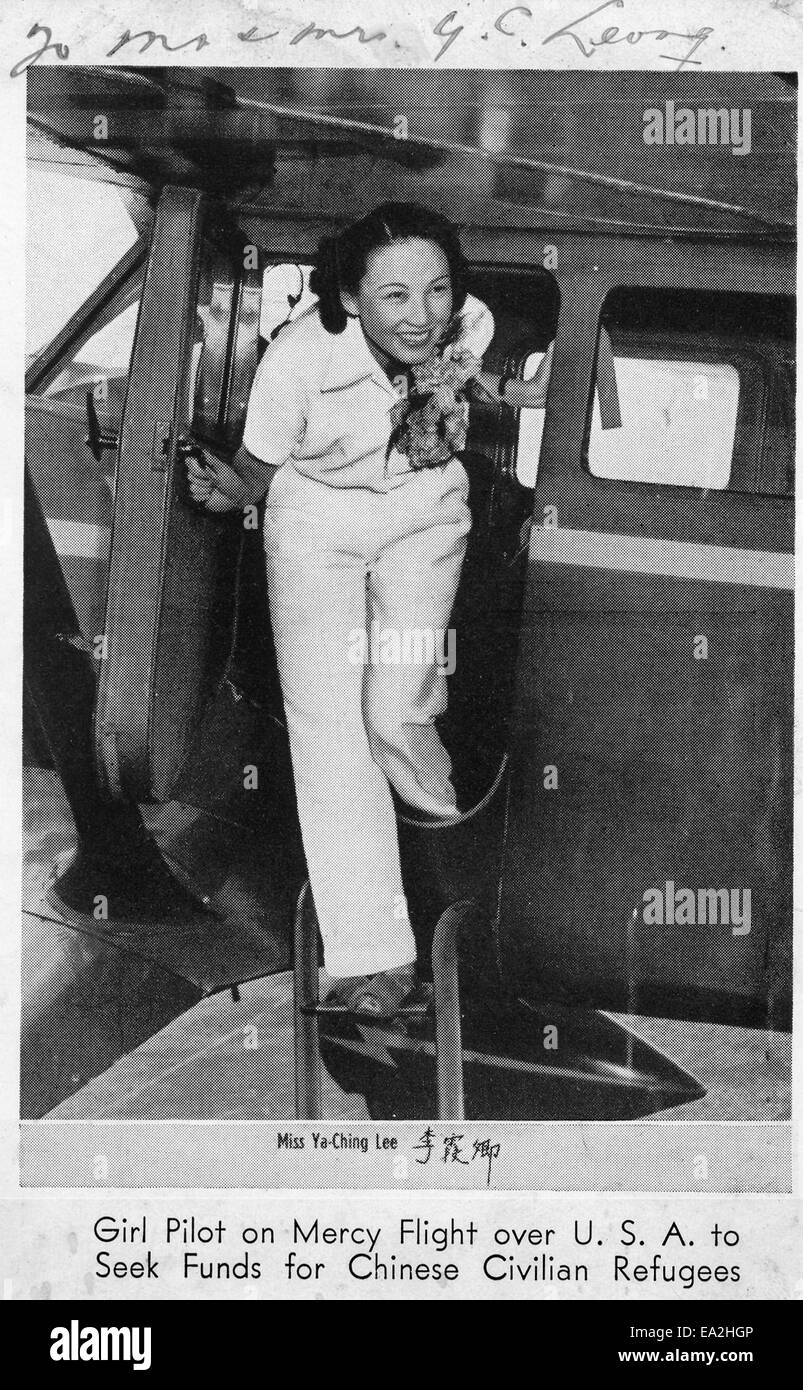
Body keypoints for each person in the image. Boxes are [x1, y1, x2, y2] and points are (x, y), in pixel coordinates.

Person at [186, 202, 549, 1019]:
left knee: (393, 709)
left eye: (436, 290)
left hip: (423, 510)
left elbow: (448, 386)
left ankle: (456, 856)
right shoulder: (297, 360)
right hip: (316, 521)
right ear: (350, 299)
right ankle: (373, 958)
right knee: (329, 731)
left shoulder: (466, 323)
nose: (421, 315)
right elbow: (255, 470)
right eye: (394, 297)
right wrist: (222, 490)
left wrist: (512, 389)